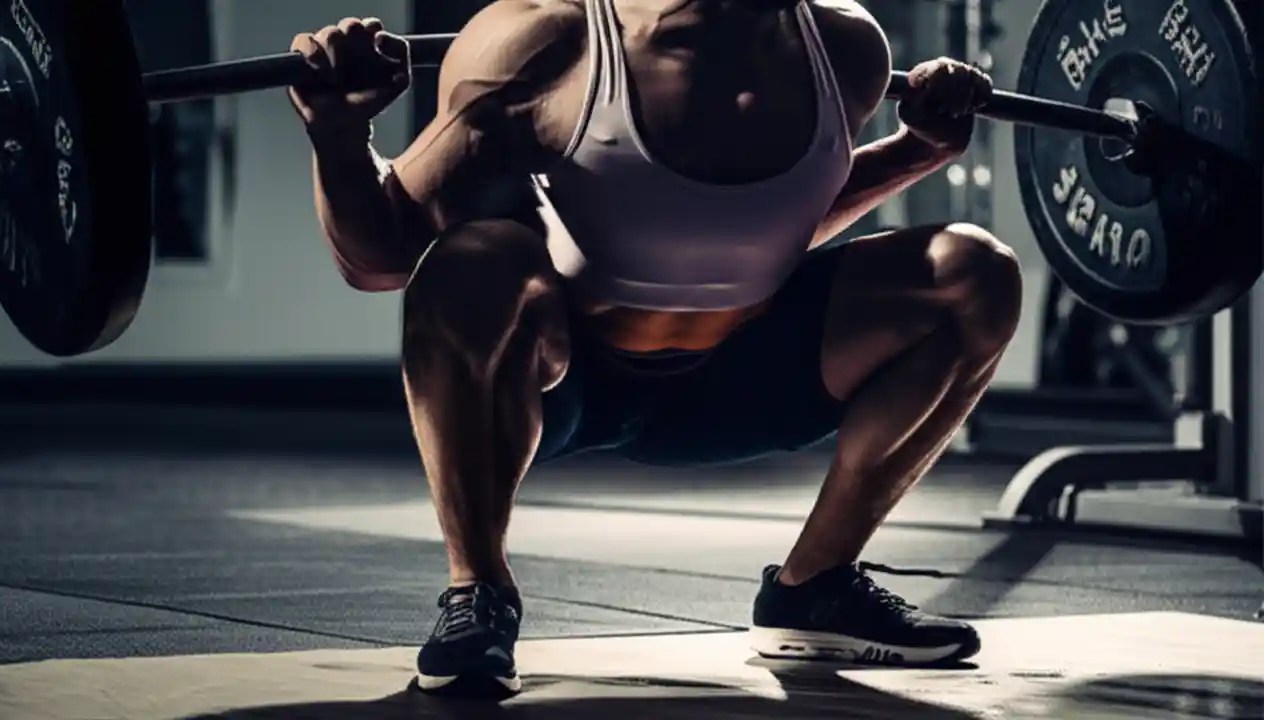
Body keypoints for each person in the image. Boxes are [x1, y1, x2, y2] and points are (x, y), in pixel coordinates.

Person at [289, 0, 1021, 696]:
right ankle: (477, 594)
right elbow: (382, 257)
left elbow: (766, 223)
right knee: (471, 261)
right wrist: (338, 136)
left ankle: (814, 590)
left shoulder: (846, 46)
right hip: (568, 384)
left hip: (746, 379)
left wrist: (913, 153)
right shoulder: (543, 42)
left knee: (975, 275)